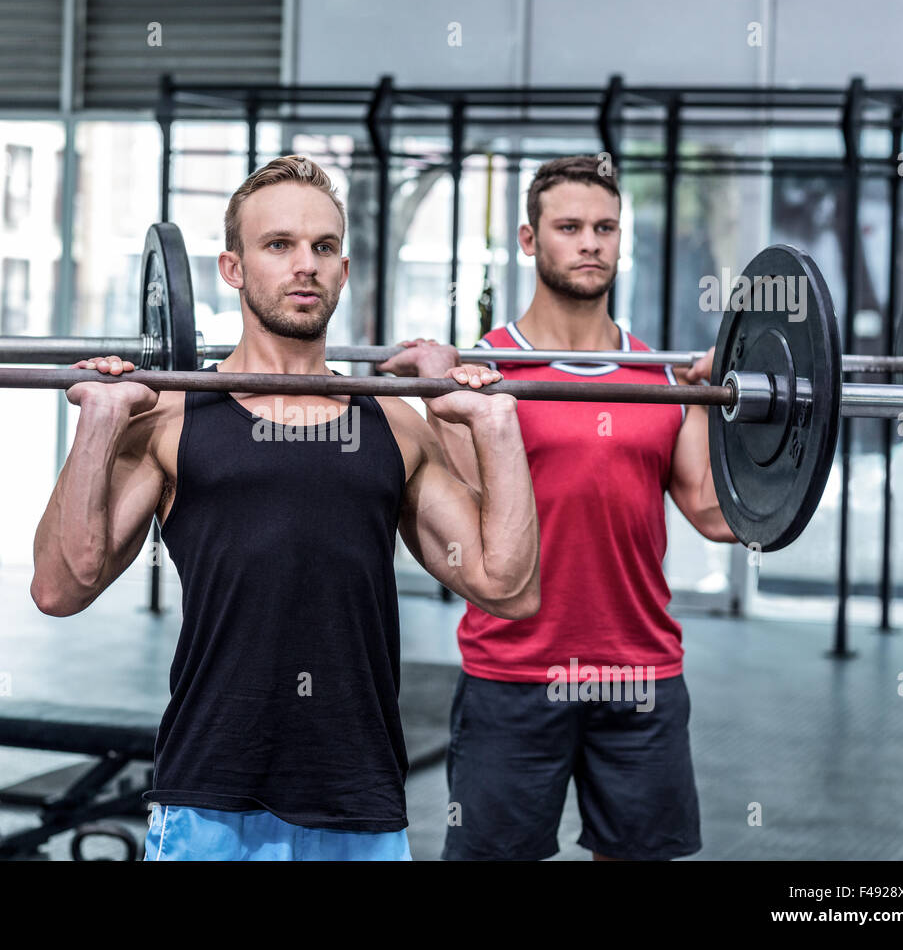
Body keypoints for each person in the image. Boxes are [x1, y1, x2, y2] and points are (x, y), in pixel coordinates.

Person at [30, 155, 541, 861]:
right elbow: (61, 587)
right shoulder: (172, 418)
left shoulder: (391, 422)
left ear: (345, 268)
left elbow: (508, 588)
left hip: (358, 797)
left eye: (323, 247)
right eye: (279, 245)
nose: (306, 265)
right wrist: (99, 422)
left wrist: (495, 427)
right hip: (210, 793)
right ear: (232, 268)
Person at [385, 155, 738, 861]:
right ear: (528, 239)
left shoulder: (658, 374)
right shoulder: (484, 371)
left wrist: (720, 405)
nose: (590, 243)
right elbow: (461, 515)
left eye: (605, 227)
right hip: (514, 673)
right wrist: (439, 399)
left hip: (640, 672)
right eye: (569, 226)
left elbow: (716, 514)